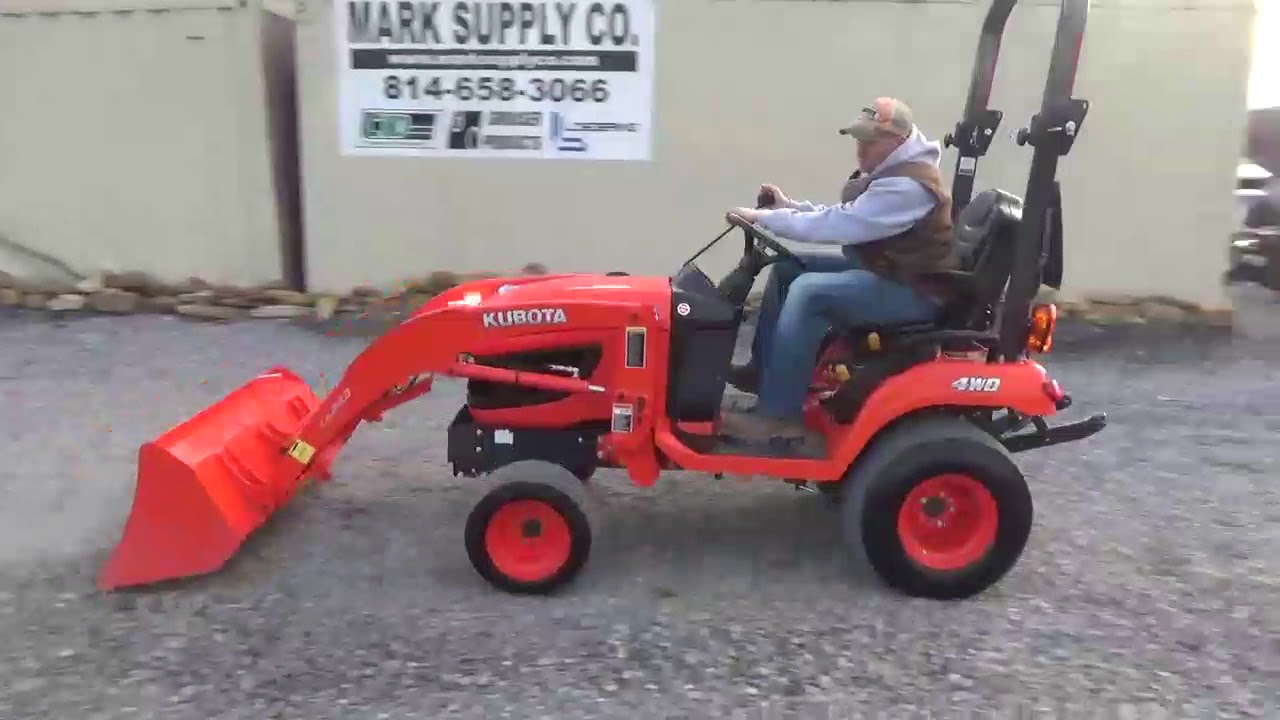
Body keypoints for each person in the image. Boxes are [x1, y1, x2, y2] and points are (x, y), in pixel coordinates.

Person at [719, 97, 958, 444]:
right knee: (788, 270)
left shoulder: (908, 186)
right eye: (859, 139)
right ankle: (767, 375)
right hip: (893, 273)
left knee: (810, 292)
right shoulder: (893, 172)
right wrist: (788, 208)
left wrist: (764, 218)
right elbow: (845, 213)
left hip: (915, 291)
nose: (861, 149)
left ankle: (779, 417)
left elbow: (840, 225)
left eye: (870, 141)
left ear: (898, 142)